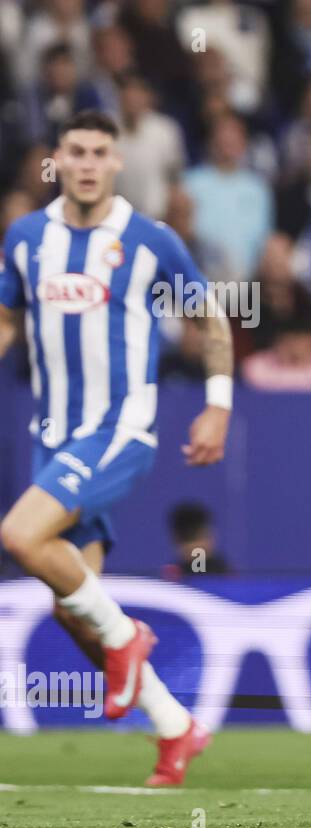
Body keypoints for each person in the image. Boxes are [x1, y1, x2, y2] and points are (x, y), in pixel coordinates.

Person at [0, 110, 232, 787]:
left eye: (101, 152)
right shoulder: (25, 238)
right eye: (76, 151)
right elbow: (8, 317)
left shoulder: (147, 239)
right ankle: (174, 726)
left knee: (18, 536)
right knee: (74, 609)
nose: (89, 163)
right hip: (55, 440)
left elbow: (209, 320)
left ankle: (131, 637)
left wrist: (218, 404)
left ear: (118, 161)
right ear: (57, 160)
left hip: (121, 429)